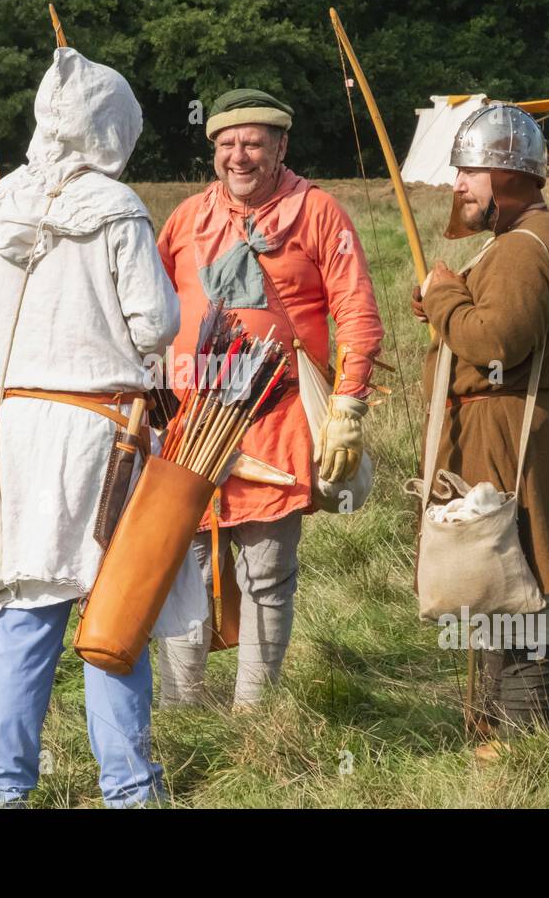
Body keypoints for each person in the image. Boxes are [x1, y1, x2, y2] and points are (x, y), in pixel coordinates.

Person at [0, 48, 202, 807]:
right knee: (116, 611)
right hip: (104, 432)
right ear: (109, 128)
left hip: (23, 433)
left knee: (27, 617)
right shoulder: (116, 208)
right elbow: (157, 321)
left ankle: (3, 793)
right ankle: (130, 793)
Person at [153, 89, 384, 708]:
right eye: (226, 144)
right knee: (186, 566)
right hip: (190, 418)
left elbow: (357, 311)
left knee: (264, 571)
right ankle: (182, 707)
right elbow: (145, 312)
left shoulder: (318, 212)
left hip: (275, 415)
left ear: (281, 145)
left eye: (253, 142)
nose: (239, 155)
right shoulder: (185, 219)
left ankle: (255, 715)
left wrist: (348, 406)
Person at [412, 104, 549, 754]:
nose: (458, 186)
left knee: (520, 590)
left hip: (517, 441)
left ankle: (525, 748)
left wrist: (443, 299)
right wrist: (449, 297)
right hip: (515, 433)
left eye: (471, 172)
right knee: (499, 586)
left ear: (509, 174)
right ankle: (495, 736)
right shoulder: (527, 238)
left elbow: (494, 343)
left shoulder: (522, 248)